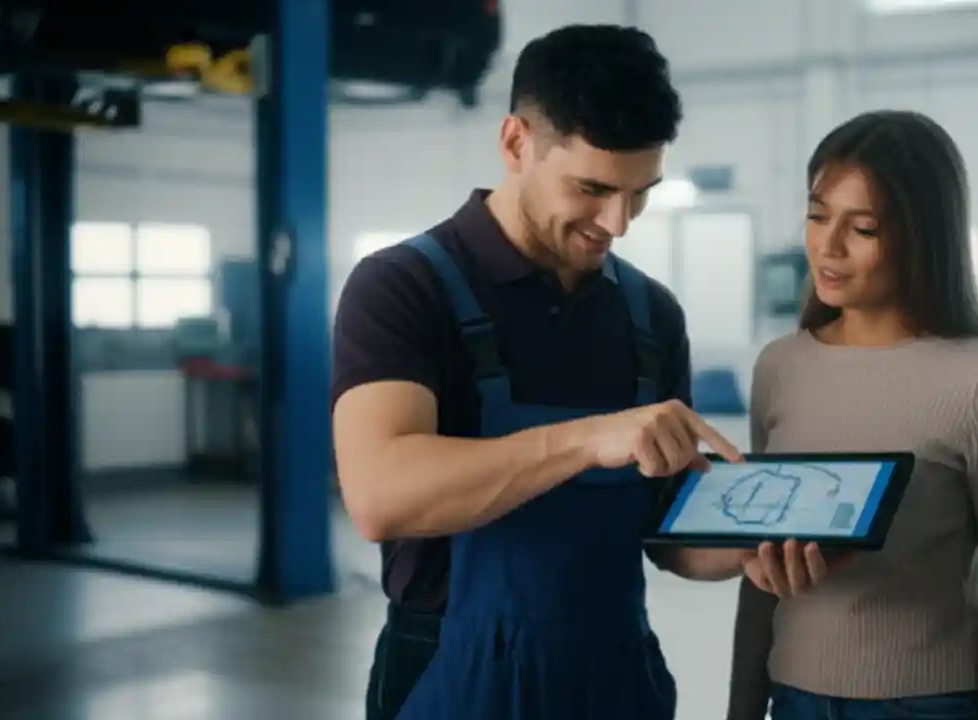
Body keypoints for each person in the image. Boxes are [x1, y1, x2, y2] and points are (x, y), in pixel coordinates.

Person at [331, 24, 833, 720]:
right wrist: (588, 440)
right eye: (592, 188)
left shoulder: (650, 314)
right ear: (515, 143)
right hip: (454, 677)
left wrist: (749, 546)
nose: (619, 223)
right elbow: (381, 497)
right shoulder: (401, 288)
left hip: (613, 673)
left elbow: (667, 535)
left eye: (641, 192)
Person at [726, 110, 978, 720]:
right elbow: (759, 567)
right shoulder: (781, 366)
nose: (829, 245)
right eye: (818, 216)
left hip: (928, 704)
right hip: (792, 697)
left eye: (864, 228)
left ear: (921, 236)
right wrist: (742, 710)